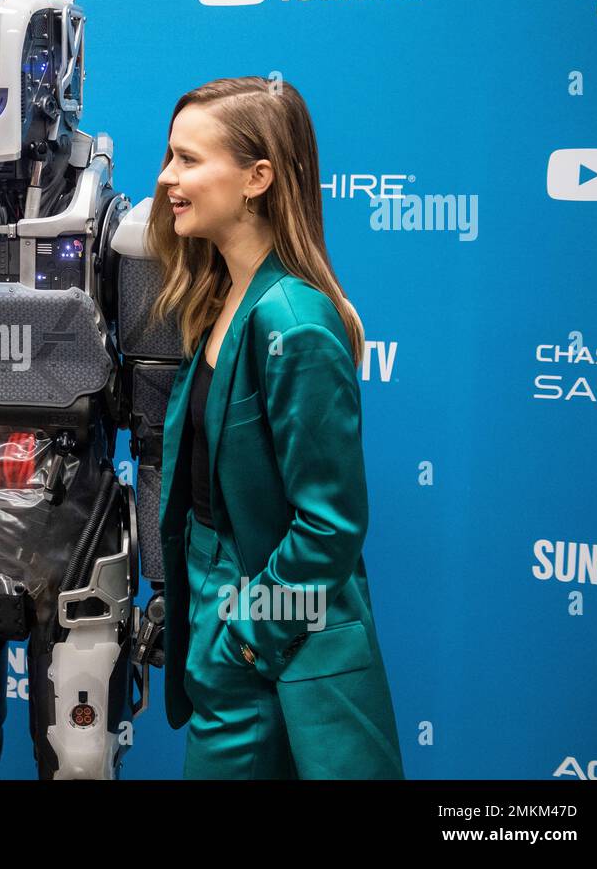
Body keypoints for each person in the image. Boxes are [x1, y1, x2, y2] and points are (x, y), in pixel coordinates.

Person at [147, 76, 404, 779]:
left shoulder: (293, 321)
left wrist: (250, 636)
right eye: (170, 156)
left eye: (189, 160)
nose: (168, 177)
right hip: (217, 616)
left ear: (257, 178)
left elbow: (331, 526)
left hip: (267, 645)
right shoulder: (219, 299)